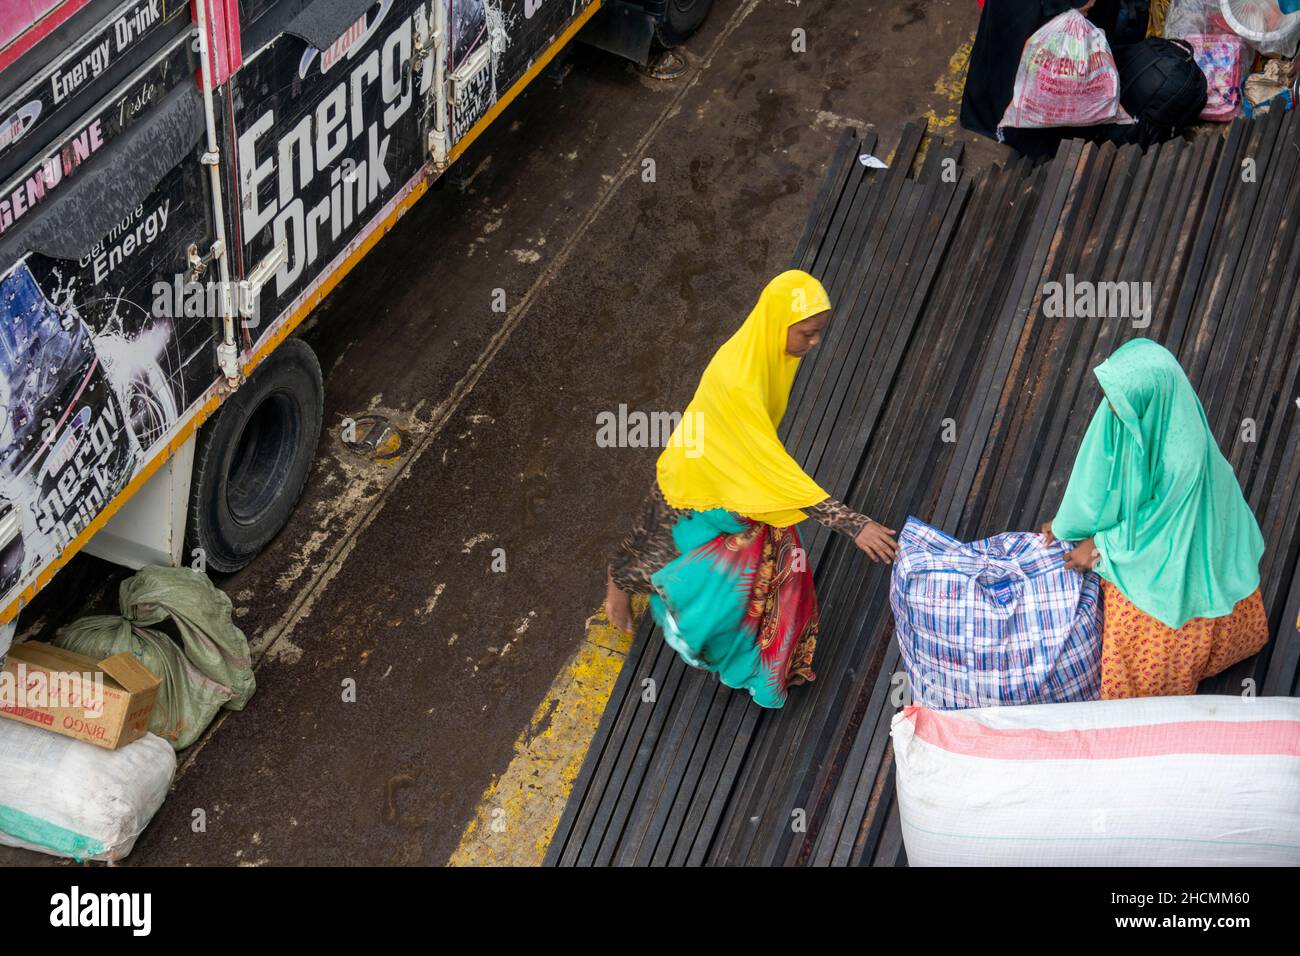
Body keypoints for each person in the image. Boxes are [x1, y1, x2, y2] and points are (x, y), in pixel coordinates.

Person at [604, 270, 898, 709]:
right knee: (695, 577)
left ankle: (764, 662)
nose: (814, 343)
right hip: (697, 488)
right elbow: (771, 467)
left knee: (750, 583)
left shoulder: (761, 353)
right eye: (807, 333)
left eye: (819, 333)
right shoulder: (740, 380)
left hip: (731, 485)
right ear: (777, 324)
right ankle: (623, 599)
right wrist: (853, 525)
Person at [1042, 338, 1268, 698]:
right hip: (1157, 529)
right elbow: (1098, 472)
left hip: (1179, 551)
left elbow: (1156, 531)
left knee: (1140, 650)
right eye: (1111, 396)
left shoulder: (1185, 459)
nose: (1112, 408)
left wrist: (1099, 546)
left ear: (1150, 400)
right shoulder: (1136, 409)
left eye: (1120, 401)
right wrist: (1068, 523)